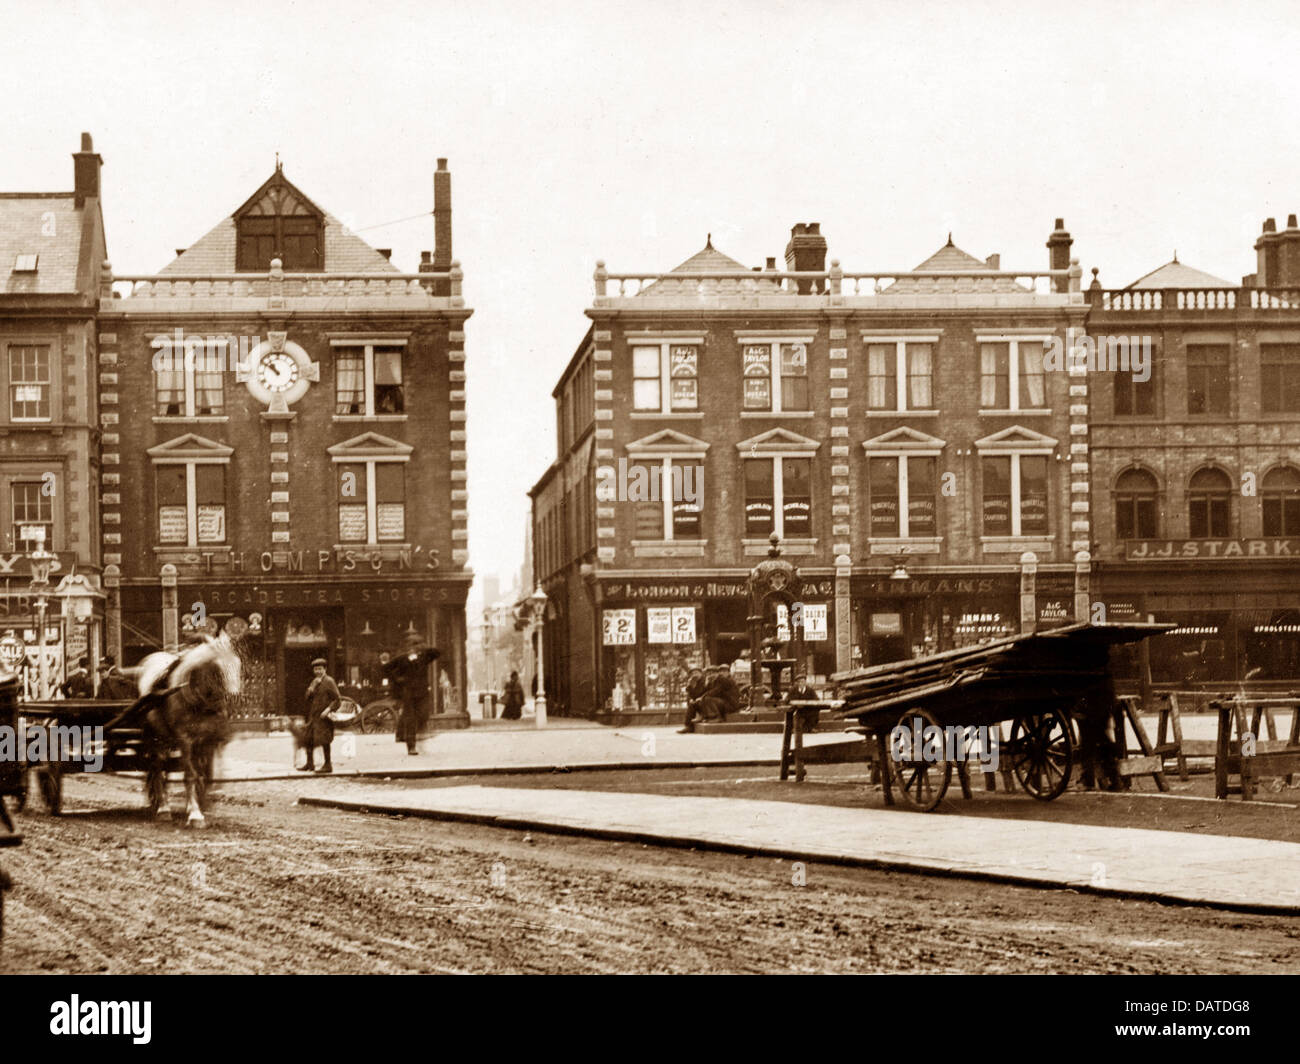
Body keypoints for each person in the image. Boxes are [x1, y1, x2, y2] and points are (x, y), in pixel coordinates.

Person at [383, 632, 440, 755]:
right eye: (413, 645)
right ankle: (411, 746)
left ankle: (413, 734)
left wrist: (425, 646)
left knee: (424, 715)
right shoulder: (402, 659)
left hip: (423, 692)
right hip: (408, 693)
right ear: (409, 647)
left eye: (417, 645)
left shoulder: (424, 657)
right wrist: (398, 679)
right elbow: (386, 668)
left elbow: (437, 653)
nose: (415, 647)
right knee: (410, 719)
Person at [298, 658, 341, 773]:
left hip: (324, 717)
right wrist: (312, 688)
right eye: (316, 669)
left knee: (325, 741)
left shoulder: (329, 681)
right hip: (314, 716)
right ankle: (310, 763)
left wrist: (328, 710)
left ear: (325, 669)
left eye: (320, 669)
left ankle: (328, 765)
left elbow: (337, 700)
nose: (318, 671)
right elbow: (306, 697)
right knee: (308, 739)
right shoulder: (315, 681)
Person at [677, 666, 709, 734]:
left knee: (693, 705)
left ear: (701, 673)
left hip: (706, 702)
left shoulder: (705, 681)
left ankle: (701, 718)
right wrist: (691, 697)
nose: (695, 675)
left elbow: (702, 692)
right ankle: (688, 726)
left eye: (696, 673)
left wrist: (696, 696)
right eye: (693, 673)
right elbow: (690, 694)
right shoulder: (693, 682)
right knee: (691, 705)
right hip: (698, 702)